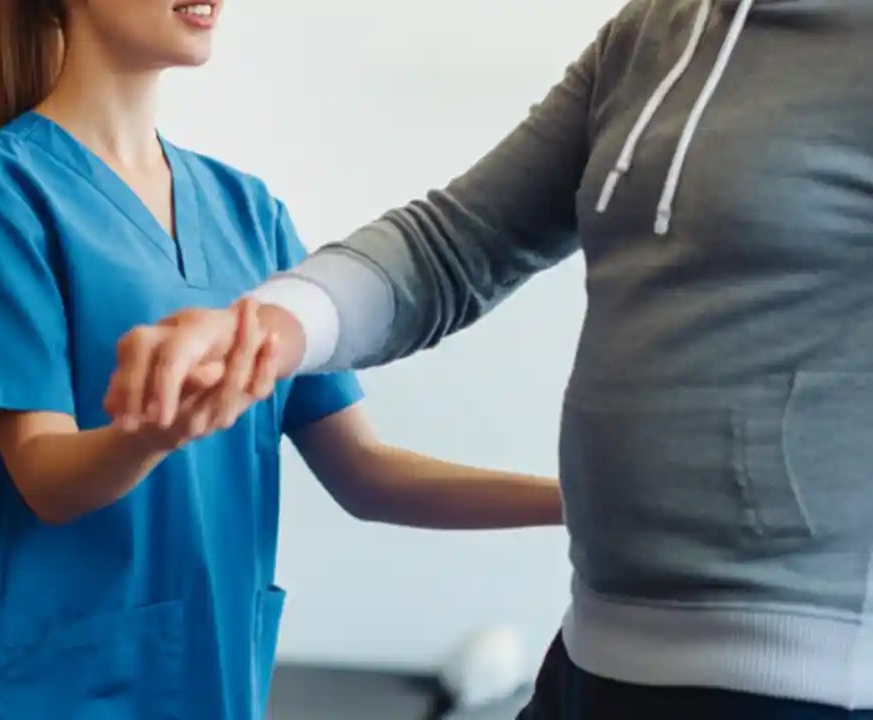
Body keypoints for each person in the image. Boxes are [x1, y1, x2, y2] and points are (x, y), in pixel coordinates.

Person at [107, 0, 873, 717]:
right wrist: (264, 328)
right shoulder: (650, 33)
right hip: (592, 655)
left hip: (802, 680)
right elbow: (454, 245)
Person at [0, 0, 563, 717]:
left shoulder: (249, 213)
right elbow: (45, 475)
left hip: (212, 685)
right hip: (49, 692)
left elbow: (365, 473)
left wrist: (581, 504)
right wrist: (158, 430)